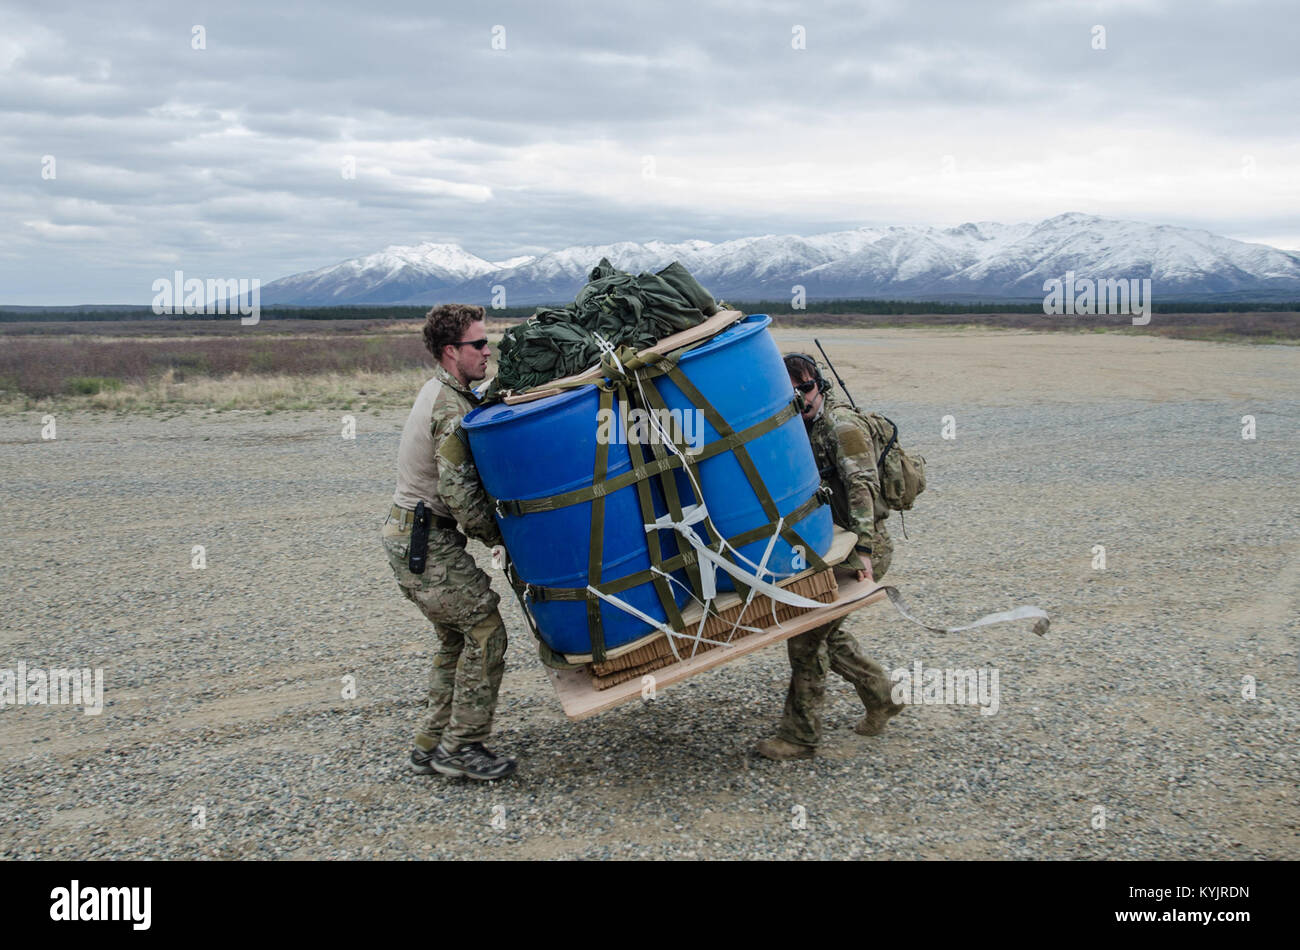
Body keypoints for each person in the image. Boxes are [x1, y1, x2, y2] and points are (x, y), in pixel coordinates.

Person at [381, 303, 516, 781]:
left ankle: (431, 743)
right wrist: (501, 537)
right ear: (449, 352)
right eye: (477, 344)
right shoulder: (450, 407)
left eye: (487, 341)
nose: (487, 350)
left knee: (456, 640)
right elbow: (459, 493)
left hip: (413, 537)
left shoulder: (447, 392)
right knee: (485, 631)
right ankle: (462, 748)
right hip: (426, 541)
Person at [754, 353, 906, 760]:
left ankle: (800, 737)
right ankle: (883, 695)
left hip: (861, 546)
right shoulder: (800, 427)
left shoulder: (842, 427)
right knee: (828, 633)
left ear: (818, 385)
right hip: (831, 546)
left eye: (805, 388)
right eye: (791, 391)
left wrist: (863, 551)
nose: (800, 397)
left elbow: (863, 488)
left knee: (806, 639)